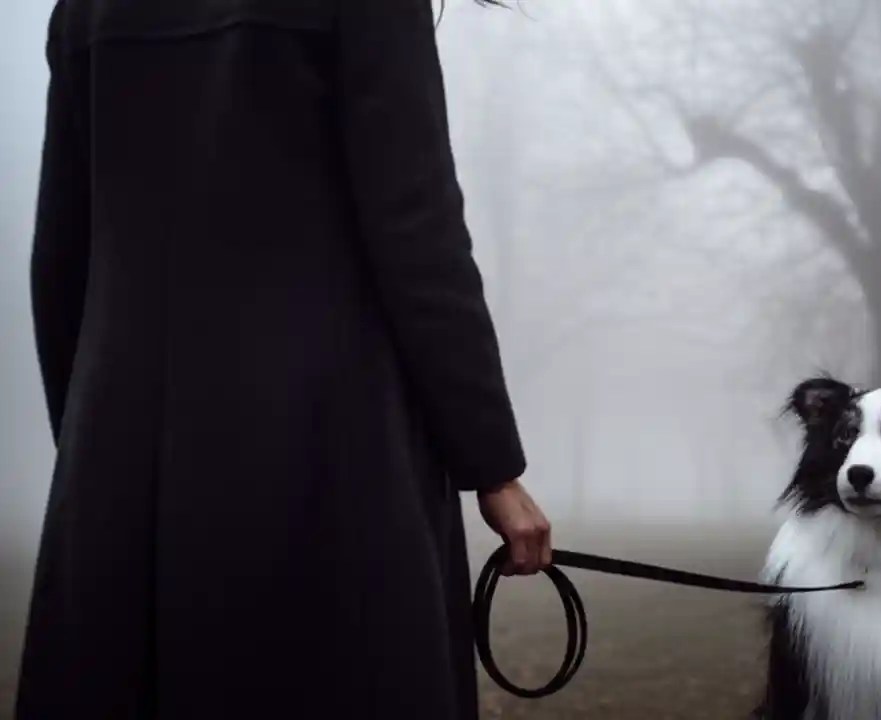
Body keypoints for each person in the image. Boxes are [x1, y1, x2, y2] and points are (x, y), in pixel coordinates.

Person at [16, 0, 551, 718]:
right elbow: (417, 234)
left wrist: (93, 451)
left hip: (117, 479)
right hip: (333, 473)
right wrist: (492, 465)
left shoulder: (86, 12)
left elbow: (61, 260)